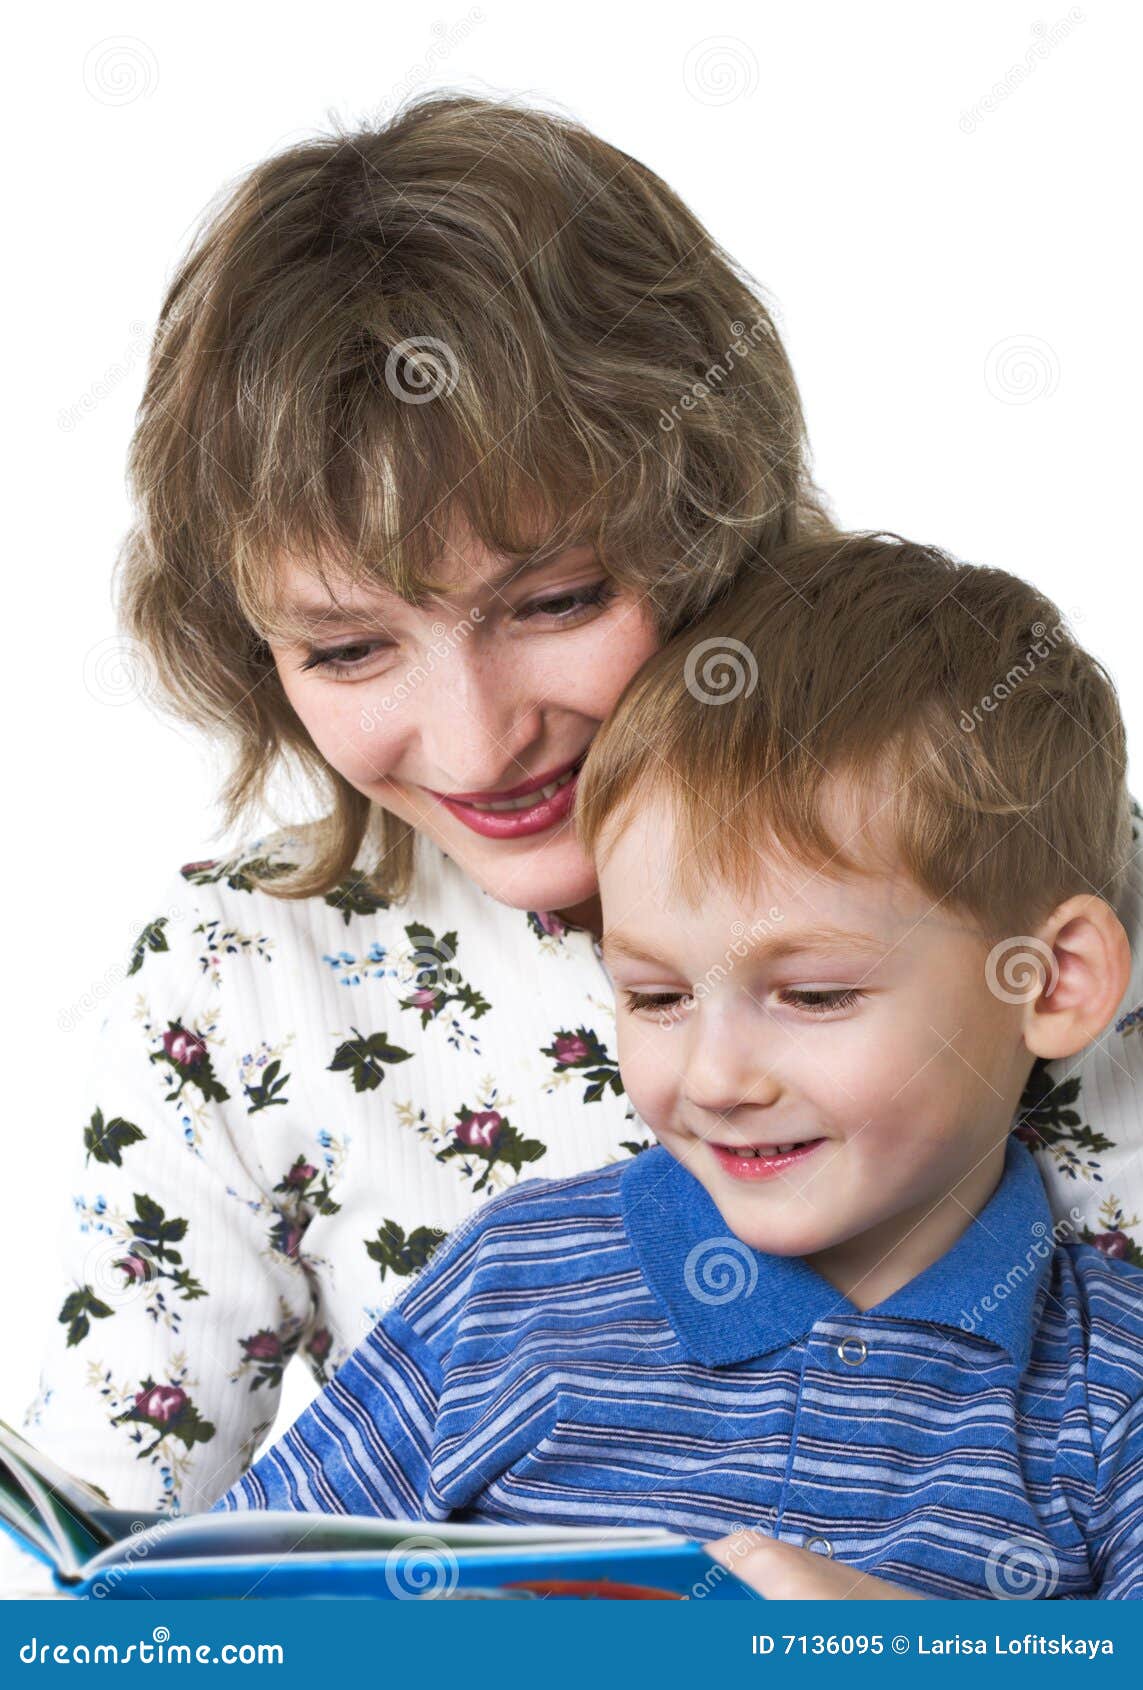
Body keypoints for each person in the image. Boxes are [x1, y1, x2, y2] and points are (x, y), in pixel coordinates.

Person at [21, 92, 1143, 1536]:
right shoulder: (242, 975)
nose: (479, 740)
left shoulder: (1037, 874)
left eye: (552, 602)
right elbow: (115, 1572)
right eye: (349, 648)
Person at [210, 535, 1143, 1602]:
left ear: (1054, 980)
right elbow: (224, 1608)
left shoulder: (1109, 1388)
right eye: (656, 997)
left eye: (815, 995)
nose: (715, 1078)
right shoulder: (516, 1284)